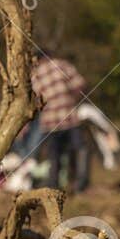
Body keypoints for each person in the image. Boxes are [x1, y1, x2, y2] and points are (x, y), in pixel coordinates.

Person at [29, 49, 88, 190]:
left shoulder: (34, 75)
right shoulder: (61, 65)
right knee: (79, 150)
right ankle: (80, 184)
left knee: (54, 156)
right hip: (70, 118)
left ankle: (54, 186)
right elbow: (79, 84)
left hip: (49, 123)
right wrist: (71, 99)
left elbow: (34, 100)